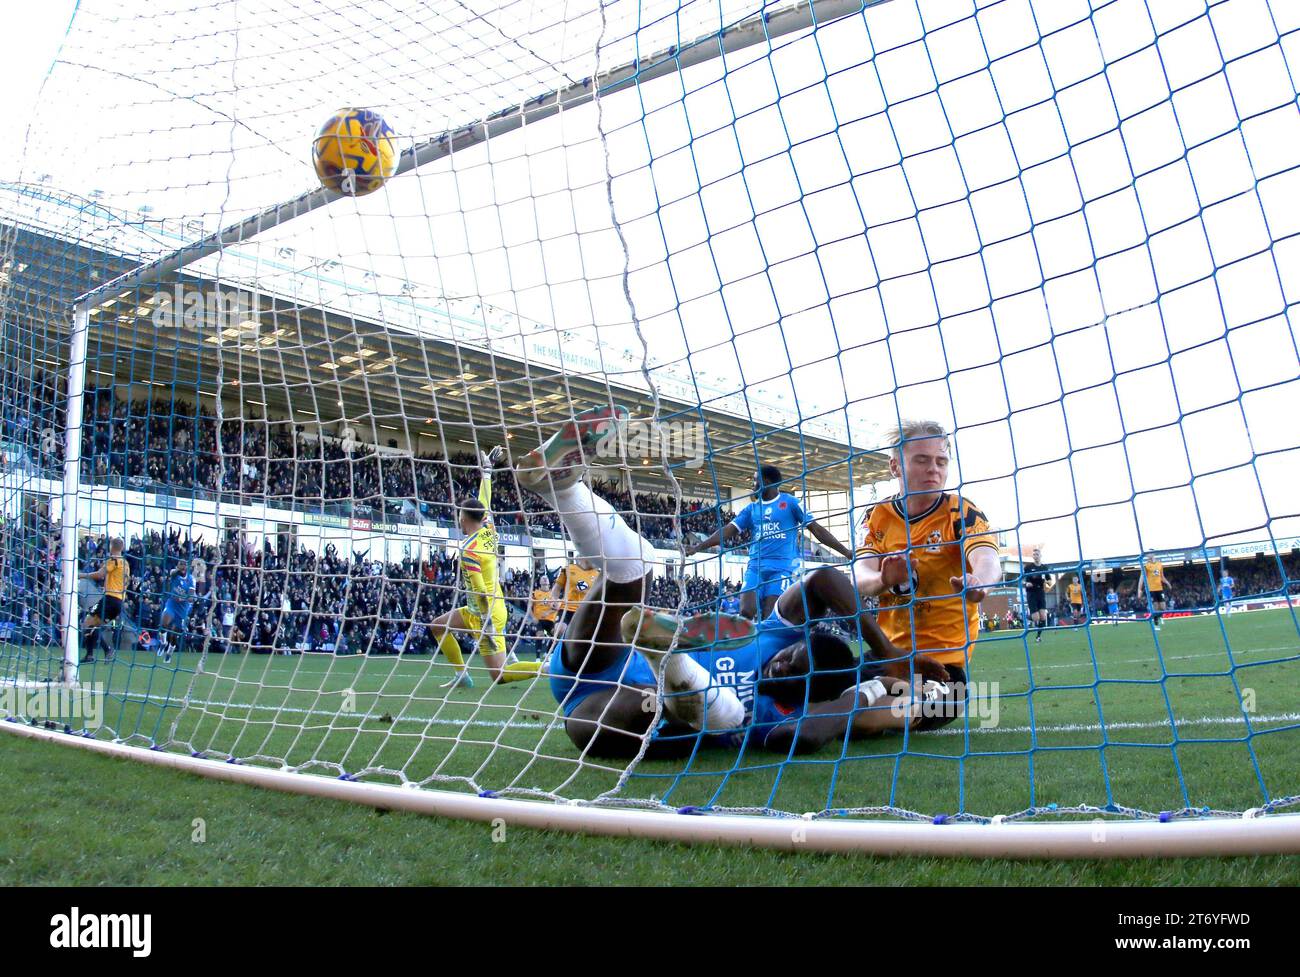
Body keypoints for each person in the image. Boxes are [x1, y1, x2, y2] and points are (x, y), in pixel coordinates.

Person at [510, 405, 948, 758]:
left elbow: (799, 740)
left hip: (618, 710)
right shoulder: (776, 636)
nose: (780, 665)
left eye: (792, 673)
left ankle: (680, 679)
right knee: (634, 570)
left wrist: (867, 690)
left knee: (684, 711)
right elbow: (824, 578)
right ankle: (561, 486)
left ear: (808, 692)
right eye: (791, 655)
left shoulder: (779, 712)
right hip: (601, 659)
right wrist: (886, 652)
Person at [851, 420, 1003, 716]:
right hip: (889, 657)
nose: (934, 468)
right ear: (895, 466)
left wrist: (979, 583)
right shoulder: (876, 516)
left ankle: (856, 706)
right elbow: (859, 576)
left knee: (863, 713)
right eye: (922, 460)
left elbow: (987, 559)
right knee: (816, 682)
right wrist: (882, 578)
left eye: (941, 461)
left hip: (942, 668)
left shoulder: (961, 510)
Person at [429, 447, 541, 689]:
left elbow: (479, 589)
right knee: (438, 625)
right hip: (481, 608)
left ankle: (549, 667)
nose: (458, 517)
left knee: (499, 675)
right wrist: (487, 473)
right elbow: (485, 502)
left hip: (485, 613)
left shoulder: (469, 549)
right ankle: (461, 675)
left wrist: (486, 621)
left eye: (460, 514)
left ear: (465, 518)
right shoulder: (489, 531)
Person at [685, 465, 853, 620]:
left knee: (769, 615)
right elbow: (728, 530)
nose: (752, 484)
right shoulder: (752, 509)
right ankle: (747, 649)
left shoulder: (791, 503)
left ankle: (767, 651)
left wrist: (846, 552)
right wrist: (699, 546)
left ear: (765, 482)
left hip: (782, 568)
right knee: (745, 612)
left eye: (754, 480)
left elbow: (817, 530)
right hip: (755, 567)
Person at [77, 537, 130, 664]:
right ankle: (104, 651)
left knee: (87, 623)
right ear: (122, 548)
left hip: (110, 599)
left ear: (111, 547)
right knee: (92, 625)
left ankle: (96, 653)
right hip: (118, 602)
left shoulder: (114, 560)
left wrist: (81, 575)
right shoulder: (125, 563)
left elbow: (100, 574)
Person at [158, 558, 203, 664]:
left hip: (183, 608)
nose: (182, 566)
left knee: (174, 634)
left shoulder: (191, 579)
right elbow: (172, 572)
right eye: (180, 564)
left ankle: (169, 652)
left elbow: (191, 597)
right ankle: (163, 643)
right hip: (172, 603)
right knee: (164, 622)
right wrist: (179, 569)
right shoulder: (174, 573)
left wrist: (183, 598)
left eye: (184, 564)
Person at [1021, 547, 1052, 643]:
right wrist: (1026, 584)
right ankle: (1025, 617)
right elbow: (1021, 579)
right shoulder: (1028, 568)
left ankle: (1038, 637)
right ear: (1032, 556)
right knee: (1036, 618)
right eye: (1034, 554)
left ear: (1040, 556)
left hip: (1040, 592)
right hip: (1031, 593)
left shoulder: (1044, 568)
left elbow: (1050, 581)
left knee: (1043, 617)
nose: (1036, 556)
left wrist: (1047, 582)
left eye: (1037, 554)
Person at [1137, 551, 1171, 630]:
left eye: (1149, 553)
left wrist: (1167, 583)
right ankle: (1156, 624)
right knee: (1155, 607)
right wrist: (1139, 589)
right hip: (1151, 589)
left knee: (1163, 607)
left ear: (1153, 554)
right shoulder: (1146, 565)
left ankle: (1160, 616)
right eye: (1147, 554)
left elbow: (1162, 577)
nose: (1148, 555)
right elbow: (1142, 577)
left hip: (1159, 588)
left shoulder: (1159, 564)